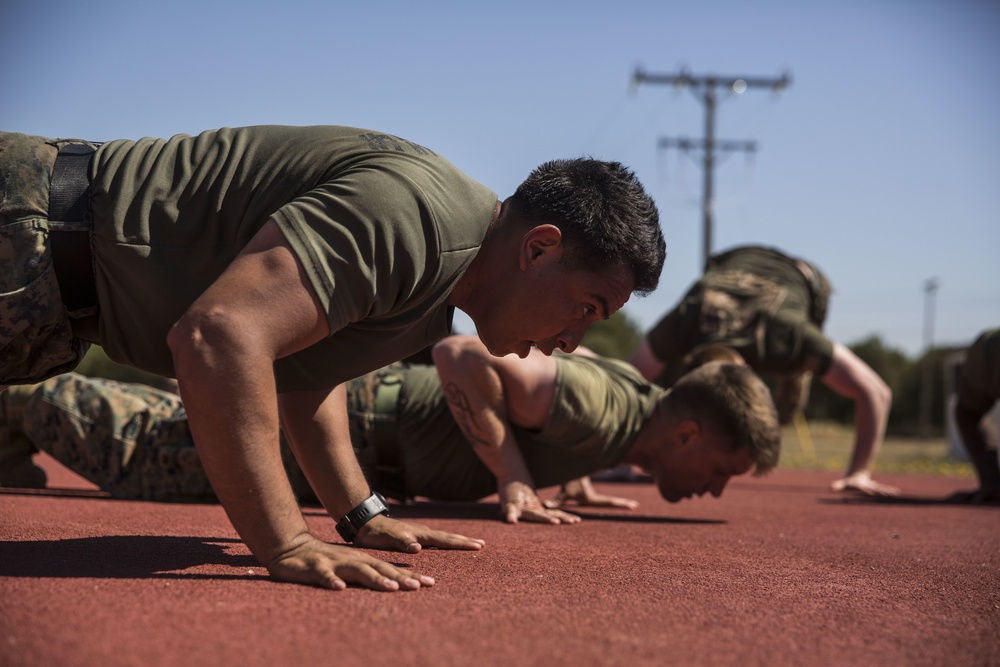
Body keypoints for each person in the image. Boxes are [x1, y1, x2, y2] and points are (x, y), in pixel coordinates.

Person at [0, 126, 666, 591]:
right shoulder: (419, 222)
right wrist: (285, 543)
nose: (574, 344)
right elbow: (220, 338)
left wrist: (360, 514)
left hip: (51, 286)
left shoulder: (439, 291)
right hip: (26, 231)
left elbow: (300, 376)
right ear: (540, 249)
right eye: (587, 306)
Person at [1, 335, 780, 524]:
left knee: (158, 435)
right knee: (141, 451)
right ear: (686, 434)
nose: (715, 485)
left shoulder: (621, 420)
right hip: (355, 428)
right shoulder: (604, 407)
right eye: (724, 466)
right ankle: (11, 397)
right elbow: (460, 352)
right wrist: (511, 472)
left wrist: (562, 477)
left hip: (369, 439)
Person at [628, 244, 898, 497]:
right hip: (729, 261)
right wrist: (630, 453)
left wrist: (858, 473)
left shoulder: (789, 337)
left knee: (787, 404)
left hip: (802, 278)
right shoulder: (686, 320)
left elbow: (876, 392)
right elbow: (629, 381)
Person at [948, 328, 1000, 504]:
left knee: (967, 412)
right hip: (989, 348)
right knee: (968, 412)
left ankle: (993, 483)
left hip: (988, 345)